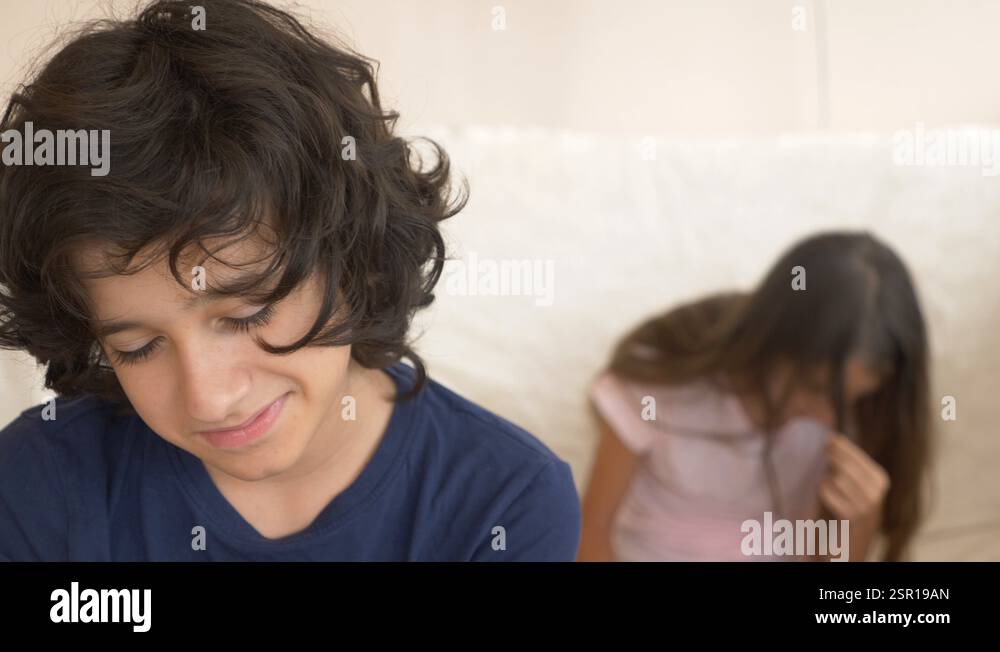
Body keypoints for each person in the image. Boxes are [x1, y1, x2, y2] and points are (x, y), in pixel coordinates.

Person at [0, 0, 580, 561]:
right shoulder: (39, 485)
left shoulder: (505, 504)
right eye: (137, 347)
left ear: (354, 259)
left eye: (247, 314)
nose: (210, 399)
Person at [578, 231, 932, 562]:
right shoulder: (663, 379)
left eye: (853, 399)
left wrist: (859, 527)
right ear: (770, 342)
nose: (831, 419)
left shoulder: (869, 416)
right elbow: (590, 531)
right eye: (813, 387)